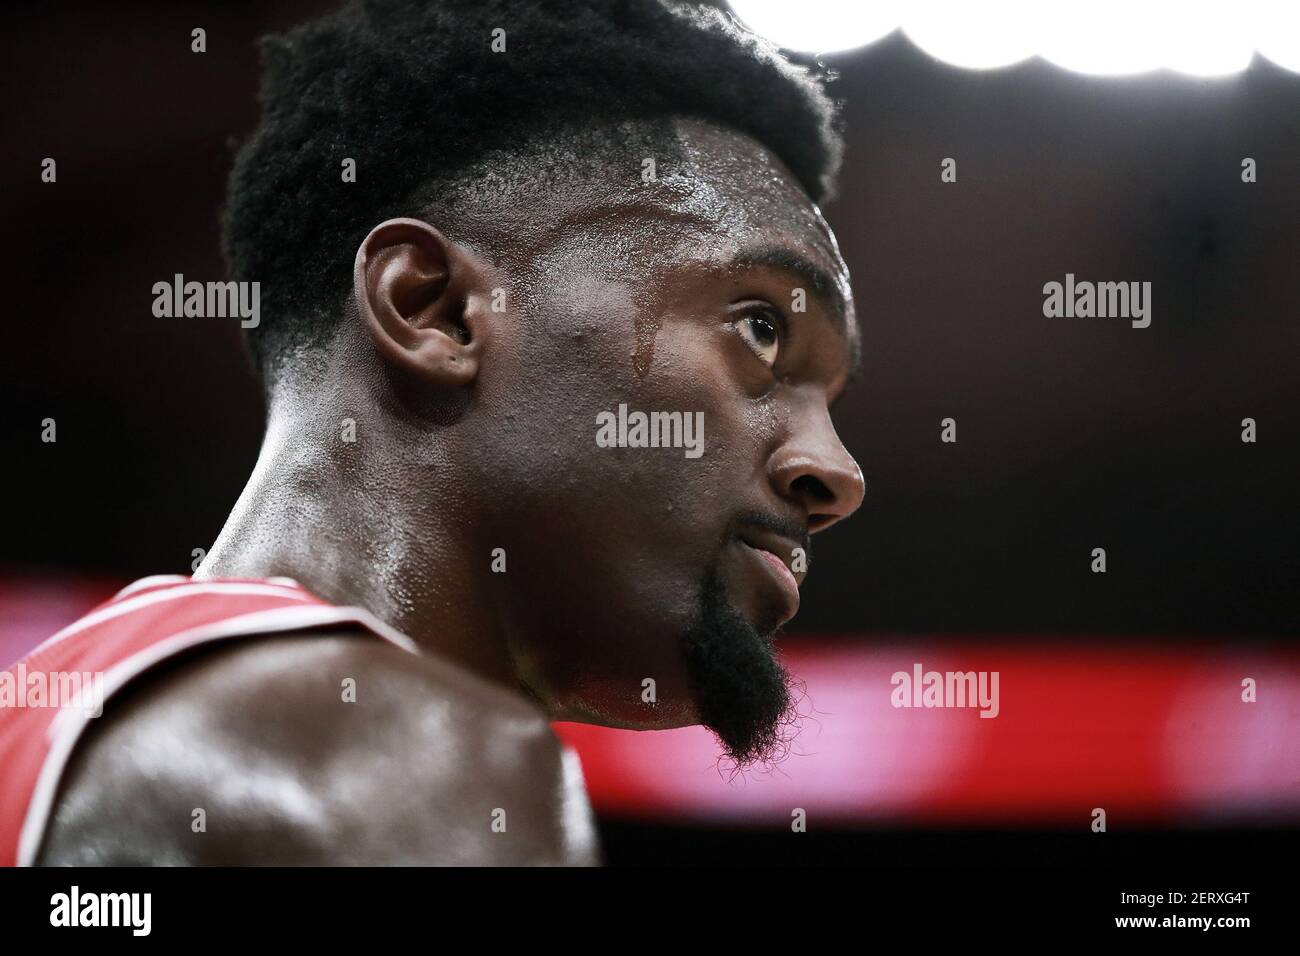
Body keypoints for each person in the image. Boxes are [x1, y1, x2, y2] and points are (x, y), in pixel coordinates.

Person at [0, 0, 864, 865]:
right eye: (761, 329)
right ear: (435, 311)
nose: (837, 473)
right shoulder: (408, 757)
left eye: (830, 398)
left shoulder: (49, 708)